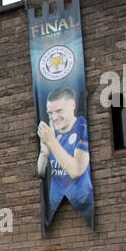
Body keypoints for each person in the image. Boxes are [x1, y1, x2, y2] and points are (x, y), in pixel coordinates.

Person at [36, 88, 93, 224]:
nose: (54, 117)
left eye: (59, 111)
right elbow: (41, 173)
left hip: (83, 205)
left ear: (72, 105)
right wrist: (44, 153)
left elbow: (76, 170)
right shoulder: (52, 132)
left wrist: (52, 142)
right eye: (50, 113)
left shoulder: (82, 128)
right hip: (55, 206)